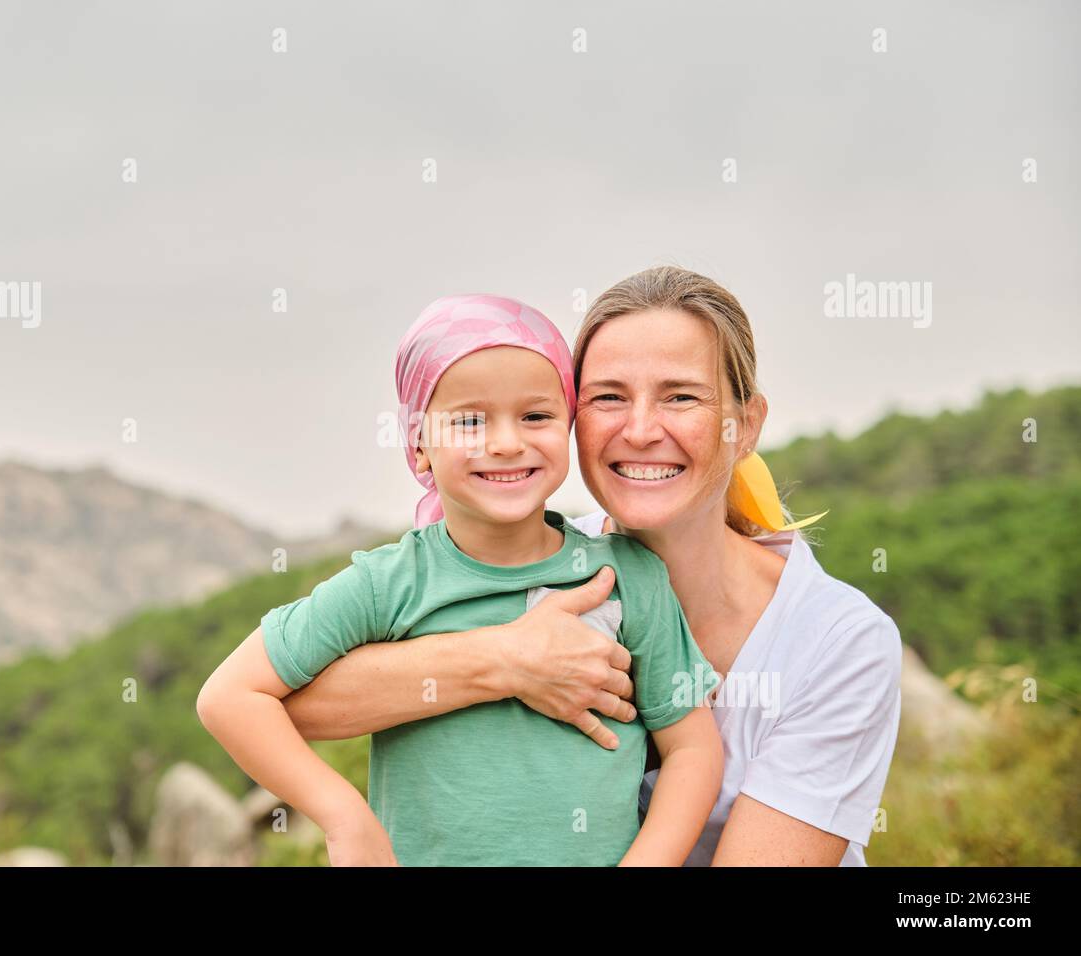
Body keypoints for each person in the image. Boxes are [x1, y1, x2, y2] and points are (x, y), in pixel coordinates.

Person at [281, 267, 904, 866]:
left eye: (681, 397)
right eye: (608, 397)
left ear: (745, 425)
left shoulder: (838, 641)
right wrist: (508, 660)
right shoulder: (532, 557)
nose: (640, 430)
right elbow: (289, 701)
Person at [196, 293, 722, 865]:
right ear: (419, 445)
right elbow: (230, 697)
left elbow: (691, 749)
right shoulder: (387, 584)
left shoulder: (627, 575)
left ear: (569, 428)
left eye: (536, 416)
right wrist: (343, 814)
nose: (506, 442)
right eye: (470, 420)